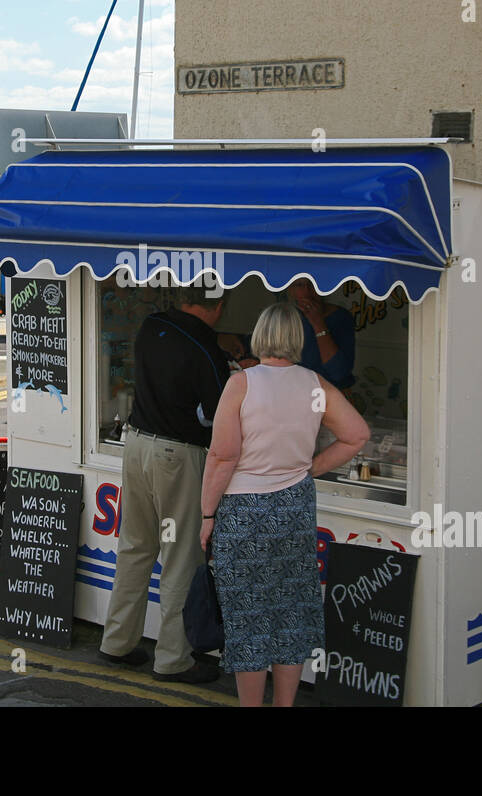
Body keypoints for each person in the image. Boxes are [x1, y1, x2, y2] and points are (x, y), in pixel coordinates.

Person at [200, 302, 369, 706]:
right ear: (297, 340)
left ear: (260, 337)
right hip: (294, 507)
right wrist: (311, 468)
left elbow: (222, 457)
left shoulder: (242, 384)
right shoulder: (316, 384)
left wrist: (207, 515)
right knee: (290, 611)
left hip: (244, 512)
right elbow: (357, 435)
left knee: (250, 617)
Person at [99, 285, 233, 683]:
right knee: (181, 557)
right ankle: (173, 659)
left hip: (136, 444)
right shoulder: (206, 349)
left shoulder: (151, 325)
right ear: (220, 306)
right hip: (178, 456)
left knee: (135, 547)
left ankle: (117, 642)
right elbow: (218, 414)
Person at [287, 277, 356, 389]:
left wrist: (318, 324)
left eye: (313, 283)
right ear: (291, 290)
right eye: (299, 285)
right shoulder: (287, 318)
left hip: (333, 395)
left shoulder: (341, 317)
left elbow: (338, 372)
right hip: (298, 393)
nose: (307, 291)